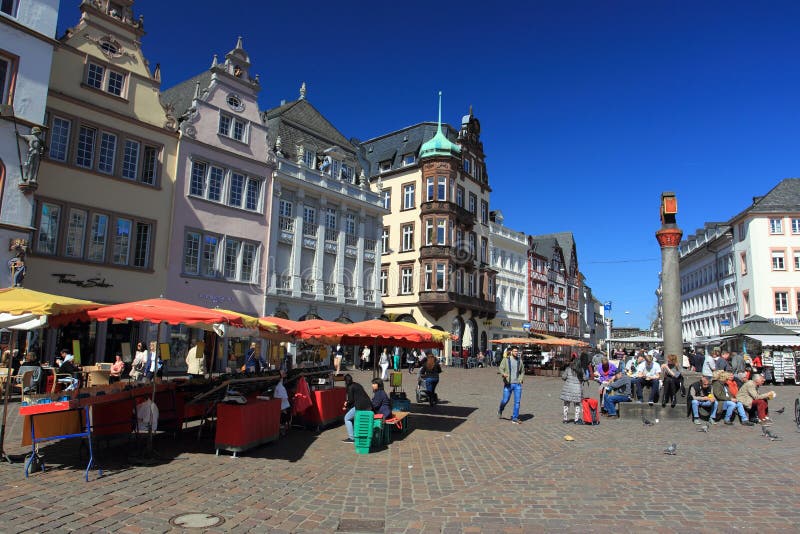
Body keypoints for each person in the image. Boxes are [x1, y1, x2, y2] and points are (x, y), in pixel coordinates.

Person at [342, 374, 372, 443]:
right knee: (352, 418)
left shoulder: (350, 387)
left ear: (345, 381)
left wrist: (346, 404)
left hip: (360, 406)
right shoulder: (357, 384)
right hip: (367, 405)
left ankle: (351, 438)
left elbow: (351, 400)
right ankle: (355, 435)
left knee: (346, 418)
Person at [498, 346, 524, 424]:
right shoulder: (506, 360)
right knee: (505, 400)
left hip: (517, 385)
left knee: (517, 402)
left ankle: (515, 417)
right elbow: (501, 368)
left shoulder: (520, 360)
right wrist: (504, 374)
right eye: (515, 351)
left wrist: (520, 379)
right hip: (508, 384)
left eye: (517, 351)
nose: (516, 352)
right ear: (511, 352)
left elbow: (522, 371)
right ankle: (500, 409)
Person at [560, 355, 583, 424]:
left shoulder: (568, 369)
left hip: (568, 389)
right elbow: (585, 378)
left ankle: (565, 419)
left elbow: (563, 377)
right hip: (577, 389)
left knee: (566, 403)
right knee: (577, 404)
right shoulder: (581, 370)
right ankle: (576, 420)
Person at [274, 369, 291, 434]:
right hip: (282, 404)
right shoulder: (280, 387)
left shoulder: (280, 386)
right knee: (284, 413)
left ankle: (283, 426)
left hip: (282, 403)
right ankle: (283, 426)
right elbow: (284, 398)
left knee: (284, 412)